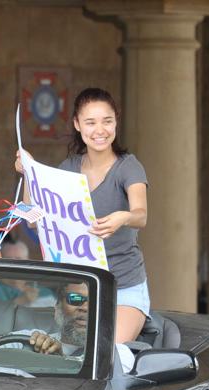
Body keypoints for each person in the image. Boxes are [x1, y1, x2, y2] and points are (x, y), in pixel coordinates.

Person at [16, 88, 149, 343]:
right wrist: (29, 174)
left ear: (116, 122)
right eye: (90, 122)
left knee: (111, 354)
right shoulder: (69, 168)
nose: (100, 130)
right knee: (68, 359)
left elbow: (140, 215)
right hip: (79, 290)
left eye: (107, 121)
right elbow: (33, 221)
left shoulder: (128, 166)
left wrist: (123, 217)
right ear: (77, 124)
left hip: (123, 287)